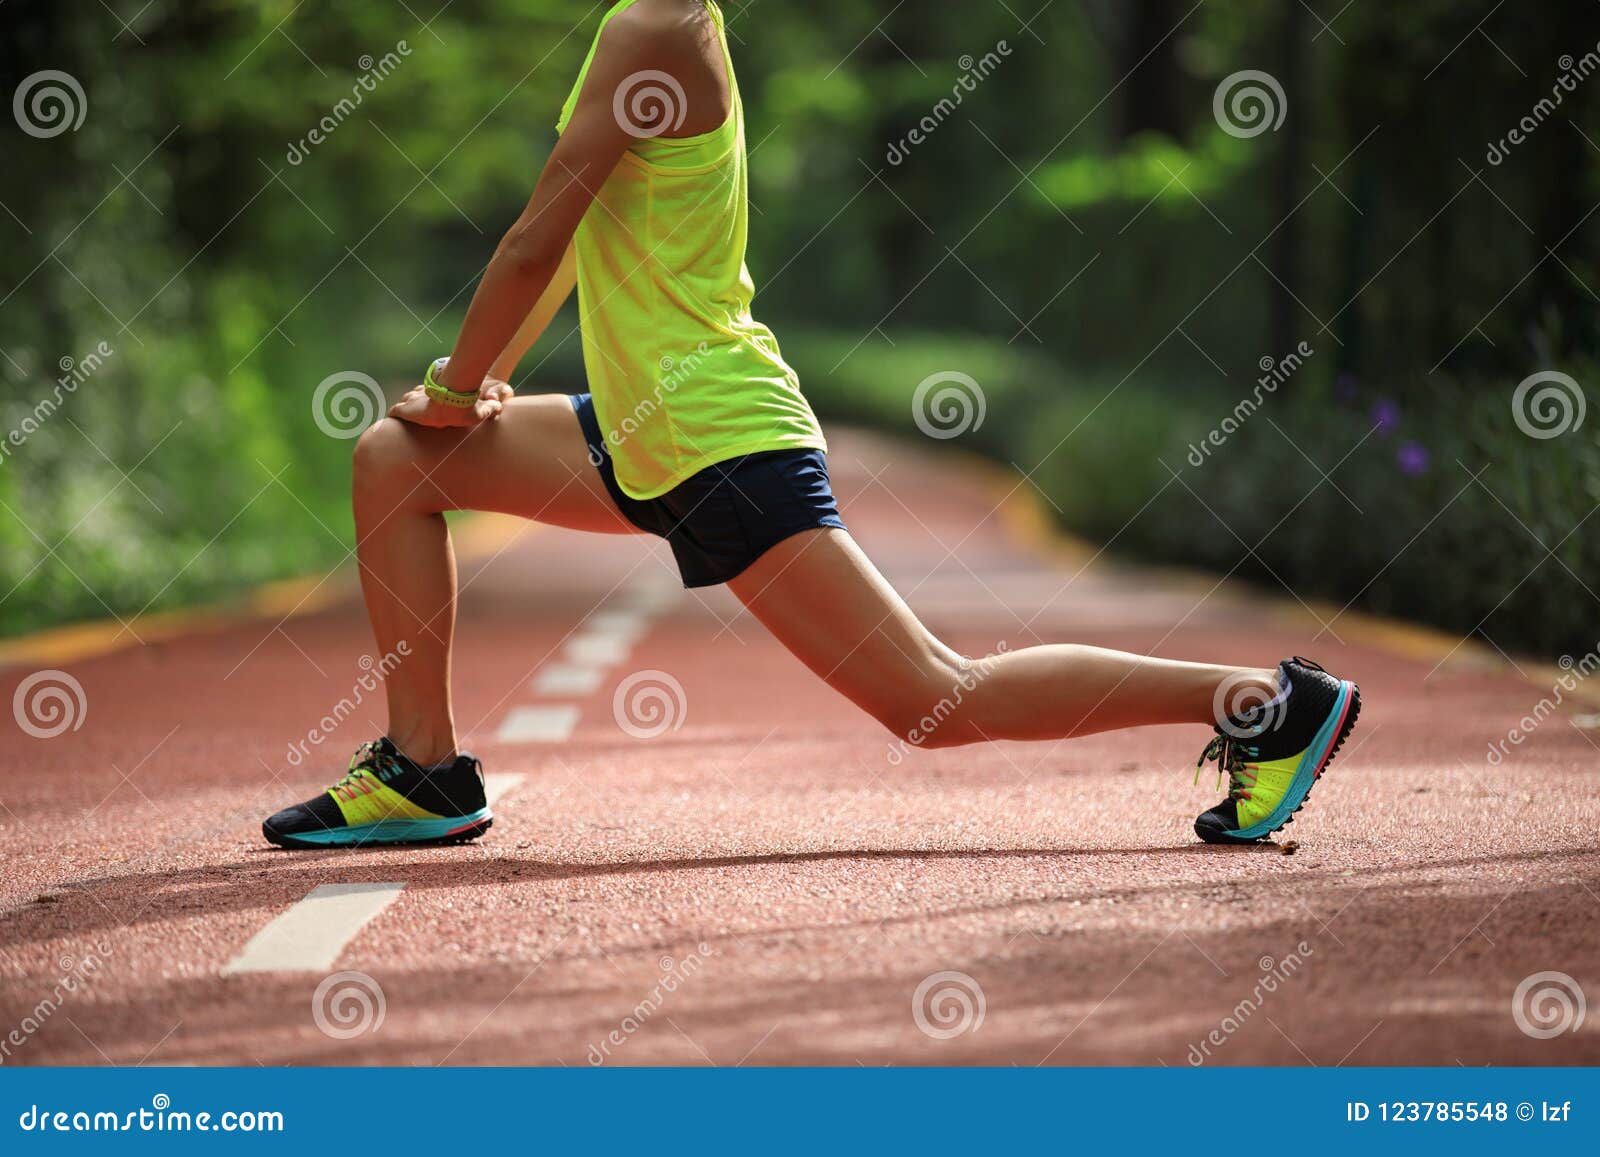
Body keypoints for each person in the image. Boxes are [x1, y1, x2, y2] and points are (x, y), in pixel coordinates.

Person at [262, 0, 1361, 851]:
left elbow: (533, 244)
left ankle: (1267, 703)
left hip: (715, 438)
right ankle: (424, 767)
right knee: (396, 459)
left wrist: (461, 386)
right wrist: (477, 384)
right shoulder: (649, 19)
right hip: (645, 431)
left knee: (934, 697)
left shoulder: (657, 26)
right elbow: (571, 232)